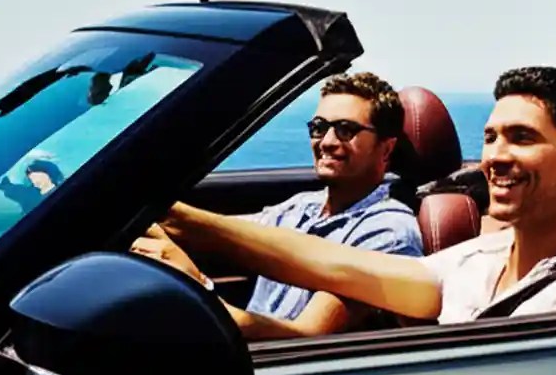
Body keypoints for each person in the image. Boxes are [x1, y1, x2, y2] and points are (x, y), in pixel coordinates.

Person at [152, 66, 556, 325]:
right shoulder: (478, 258)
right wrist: (175, 217)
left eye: (521, 138)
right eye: (490, 137)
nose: (494, 157)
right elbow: (342, 267)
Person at [131, 72, 424, 340]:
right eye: (320, 128)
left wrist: (196, 285)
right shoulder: (302, 208)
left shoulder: (386, 233)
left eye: (346, 130)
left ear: (385, 149)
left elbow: (304, 338)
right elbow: (220, 234)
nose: (327, 142)